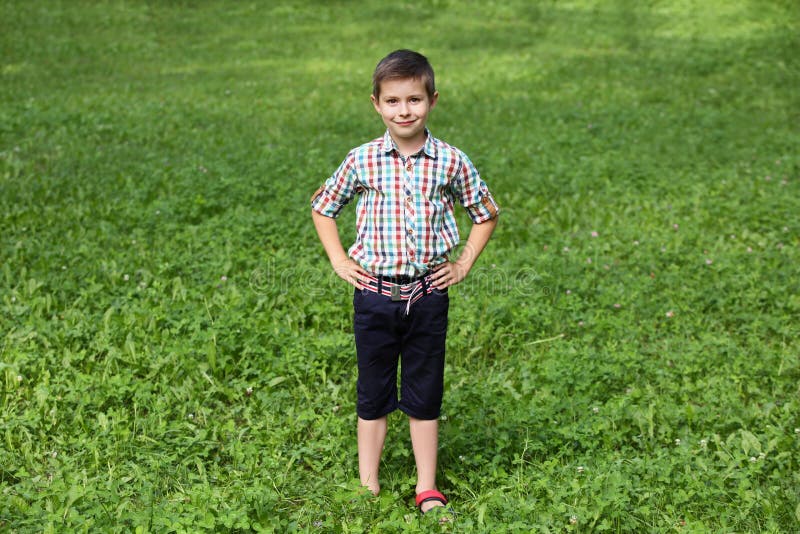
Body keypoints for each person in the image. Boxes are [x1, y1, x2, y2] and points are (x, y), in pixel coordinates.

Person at [310, 49, 499, 515]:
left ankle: (426, 485)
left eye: (414, 99)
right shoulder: (363, 159)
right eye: (393, 101)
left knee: (424, 388)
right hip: (374, 296)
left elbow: (486, 213)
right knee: (373, 388)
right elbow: (323, 206)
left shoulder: (451, 161)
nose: (404, 110)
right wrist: (338, 259)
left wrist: (463, 264)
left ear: (432, 100)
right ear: (376, 104)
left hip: (428, 295)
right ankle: (367, 483)